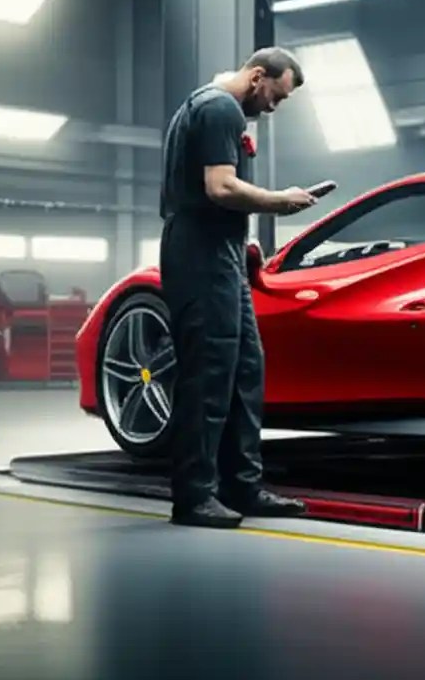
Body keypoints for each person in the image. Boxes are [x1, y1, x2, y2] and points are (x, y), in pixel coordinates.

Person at [159, 46, 317, 528]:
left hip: (220, 252)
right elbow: (220, 188)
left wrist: (244, 245)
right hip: (198, 254)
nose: (273, 108)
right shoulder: (219, 108)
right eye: (276, 96)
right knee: (208, 375)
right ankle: (194, 497)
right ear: (256, 77)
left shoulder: (216, 109)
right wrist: (278, 202)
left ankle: (242, 486)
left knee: (245, 369)